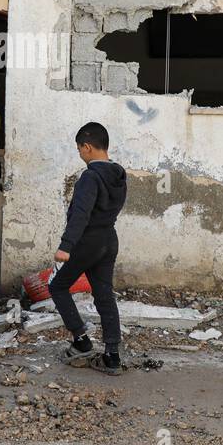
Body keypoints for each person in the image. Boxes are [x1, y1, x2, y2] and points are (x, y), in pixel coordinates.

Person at [50, 122, 127, 376]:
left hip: (87, 242)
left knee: (58, 287)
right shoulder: (119, 174)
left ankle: (81, 340)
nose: (80, 155)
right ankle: (112, 356)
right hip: (109, 239)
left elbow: (81, 214)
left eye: (79, 150)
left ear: (87, 147)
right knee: (104, 294)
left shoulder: (90, 177)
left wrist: (66, 246)